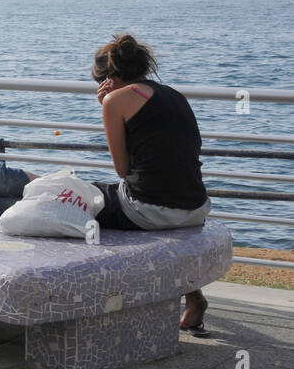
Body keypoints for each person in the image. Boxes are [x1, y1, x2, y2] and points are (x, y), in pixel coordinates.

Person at [90, 34, 212, 334]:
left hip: (150, 209)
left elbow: (122, 170)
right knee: (130, 195)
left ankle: (99, 302)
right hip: (195, 206)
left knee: (78, 205)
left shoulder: (114, 100)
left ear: (109, 79)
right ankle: (193, 298)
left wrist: (106, 104)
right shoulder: (174, 95)